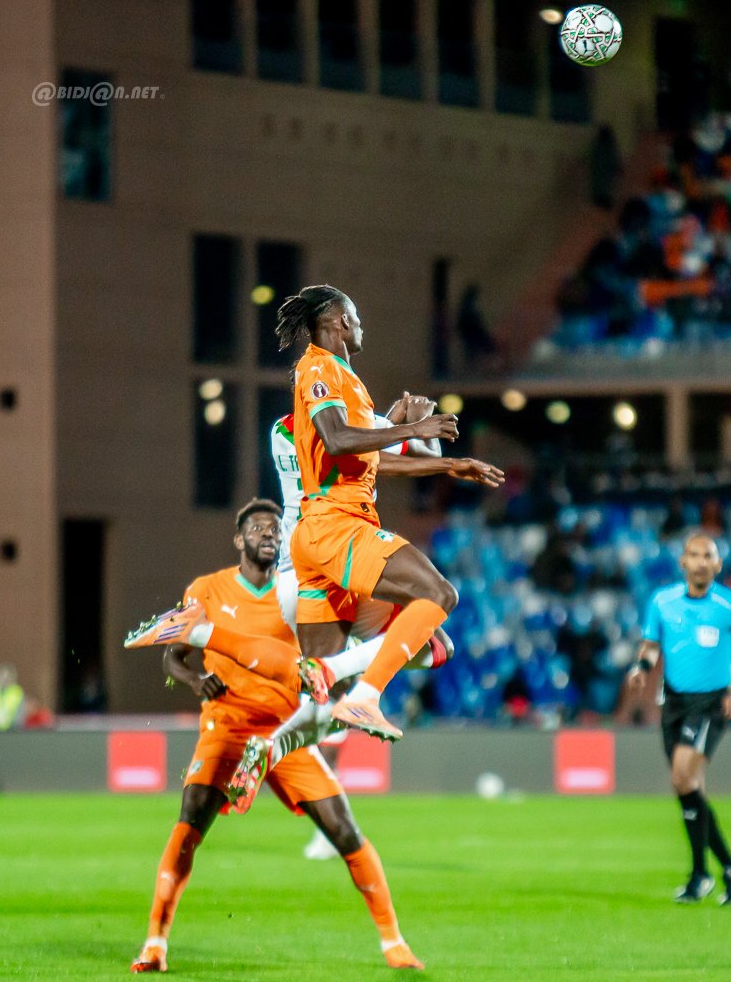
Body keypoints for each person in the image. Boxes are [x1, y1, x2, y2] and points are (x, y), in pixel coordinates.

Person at [130, 499, 426, 972]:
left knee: (344, 830)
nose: (268, 534)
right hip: (225, 726)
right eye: (258, 528)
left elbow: (314, 655)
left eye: (274, 529)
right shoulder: (207, 589)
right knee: (188, 824)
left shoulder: (298, 592)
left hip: (285, 728)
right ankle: (155, 944)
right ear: (239, 539)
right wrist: (192, 681)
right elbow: (172, 653)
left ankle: (394, 943)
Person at [276, 284, 500, 741]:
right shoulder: (318, 367)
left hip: (320, 535)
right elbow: (338, 439)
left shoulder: (345, 379)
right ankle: (367, 697)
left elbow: (370, 457)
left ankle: (267, 749)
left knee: (323, 692)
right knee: (440, 596)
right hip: (336, 524)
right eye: (356, 318)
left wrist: (449, 464)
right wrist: (412, 426)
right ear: (338, 320)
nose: (362, 327)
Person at [626, 533, 731, 905]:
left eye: (708, 556)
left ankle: (712, 871)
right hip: (674, 702)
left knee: (683, 775)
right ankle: (720, 871)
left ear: (717, 564)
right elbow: (651, 645)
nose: (701, 562)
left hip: (712, 703)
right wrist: (640, 667)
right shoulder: (663, 602)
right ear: (683, 562)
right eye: (694, 555)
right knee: (687, 786)